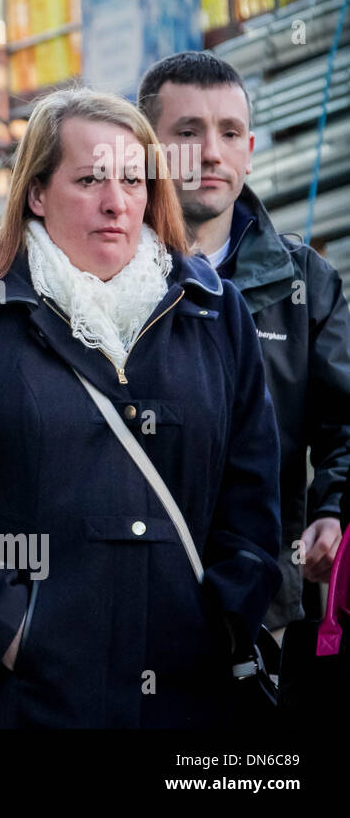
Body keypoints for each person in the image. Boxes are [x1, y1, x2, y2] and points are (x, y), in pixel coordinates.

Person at [0, 87, 282, 727]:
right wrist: (16, 633)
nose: (116, 202)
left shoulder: (214, 314)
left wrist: (225, 620)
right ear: (36, 193)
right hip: (17, 701)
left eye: (133, 179)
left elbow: (254, 493)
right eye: (90, 179)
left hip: (184, 695)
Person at [138, 52, 347, 645]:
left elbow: (345, 422)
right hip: (130, 603)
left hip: (266, 608)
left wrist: (331, 506)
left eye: (229, 133)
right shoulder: (100, 276)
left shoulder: (307, 283)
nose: (211, 152)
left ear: (249, 149)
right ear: (146, 146)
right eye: (188, 132)